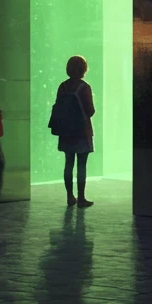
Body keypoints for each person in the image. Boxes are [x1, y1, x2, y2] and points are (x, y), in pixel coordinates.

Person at [56, 55, 96, 208]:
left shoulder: (63, 86)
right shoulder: (84, 87)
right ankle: (81, 197)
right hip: (82, 131)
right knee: (81, 165)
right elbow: (90, 111)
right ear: (83, 69)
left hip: (66, 131)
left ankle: (69, 196)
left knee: (68, 163)